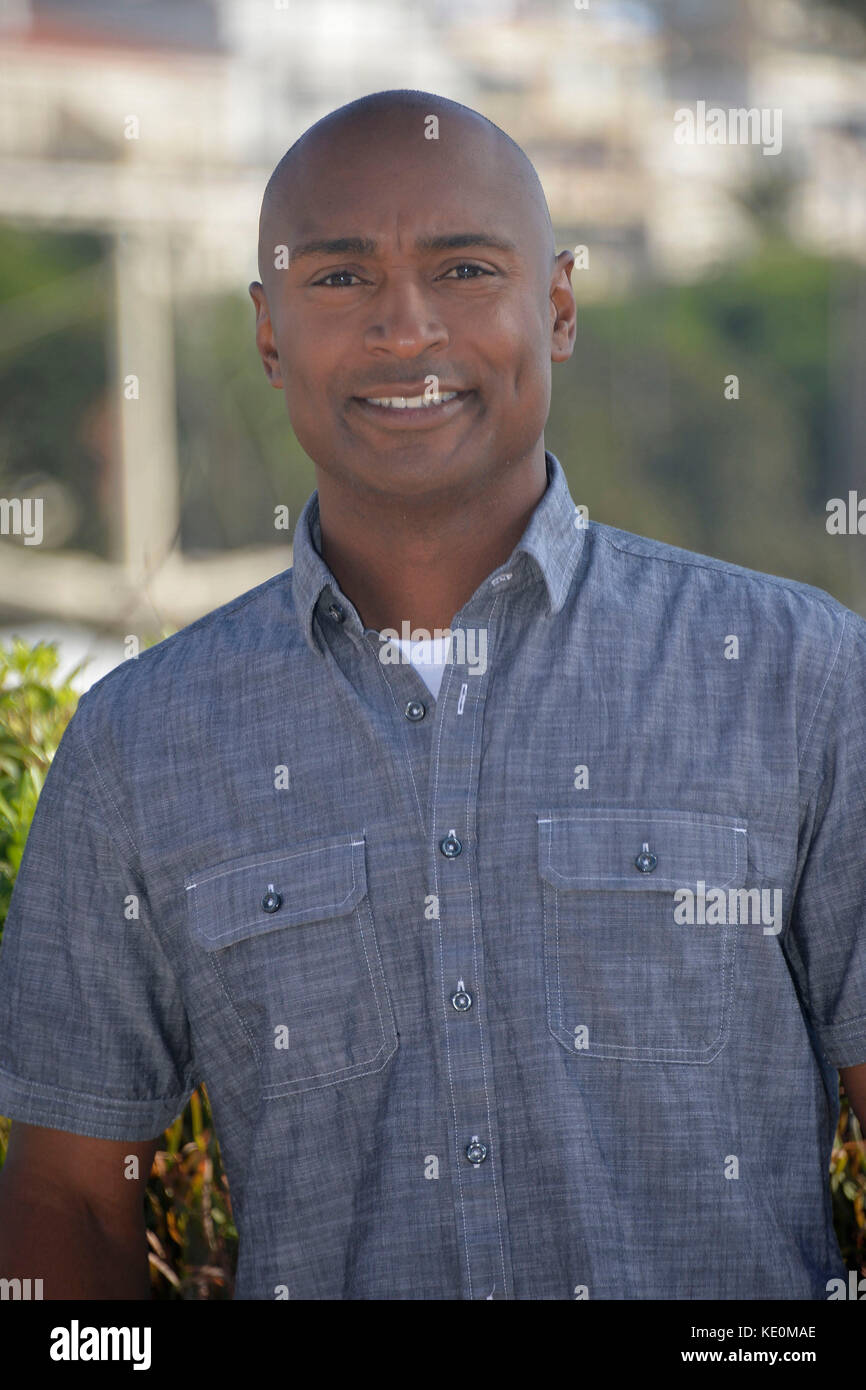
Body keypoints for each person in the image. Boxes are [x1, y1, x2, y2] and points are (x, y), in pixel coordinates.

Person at [0, 89, 864, 1302]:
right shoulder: (138, 746)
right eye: (341, 279)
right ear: (267, 332)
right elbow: (73, 1195)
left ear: (555, 307)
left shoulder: (804, 679)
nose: (404, 332)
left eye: (463, 268)